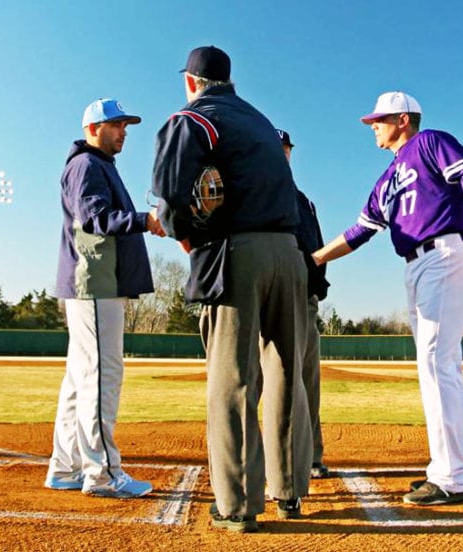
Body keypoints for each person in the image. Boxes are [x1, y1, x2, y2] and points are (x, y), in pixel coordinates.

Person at [152, 46, 312, 532]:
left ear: (191, 81)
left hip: (237, 253)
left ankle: (238, 506)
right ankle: (288, 491)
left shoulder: (192, 119)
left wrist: (186, 238)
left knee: (234, 381)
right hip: (290, 252)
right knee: (286, 372)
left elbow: (171, 193)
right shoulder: (262, 121)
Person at [312, 91, 463, 506]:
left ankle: (453, 477)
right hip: (413, 266)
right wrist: (317, 258)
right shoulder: (388, 177)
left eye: (378, 120)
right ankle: (447, 469)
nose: (372, 127)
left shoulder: (430, 141)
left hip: (447, 252)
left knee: (437, 361)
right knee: (433, 364)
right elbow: (361, 231)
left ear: (401, 120)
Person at [45, 98, 166, 498]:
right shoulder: (86, 165)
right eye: (116, 125)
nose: (123, 132)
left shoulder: (97, 166)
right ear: (92, 128)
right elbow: (94, 219)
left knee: (81, 379)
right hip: (96, 282)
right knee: (101, 375)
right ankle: (102, 474)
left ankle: (66, 467)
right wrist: (145, 221)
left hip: (94, 284)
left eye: (125, 126)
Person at [276, 128, 332, 480]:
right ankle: (270, 457)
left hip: (305, 298)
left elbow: (318, 249)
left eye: (286, 149)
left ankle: (311, 455)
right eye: (276, 148)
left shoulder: (304, 200)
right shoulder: (256, 192)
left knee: (308, 378)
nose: (283, 154)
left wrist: (316, 288)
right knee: (272, 378)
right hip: (272, 296)